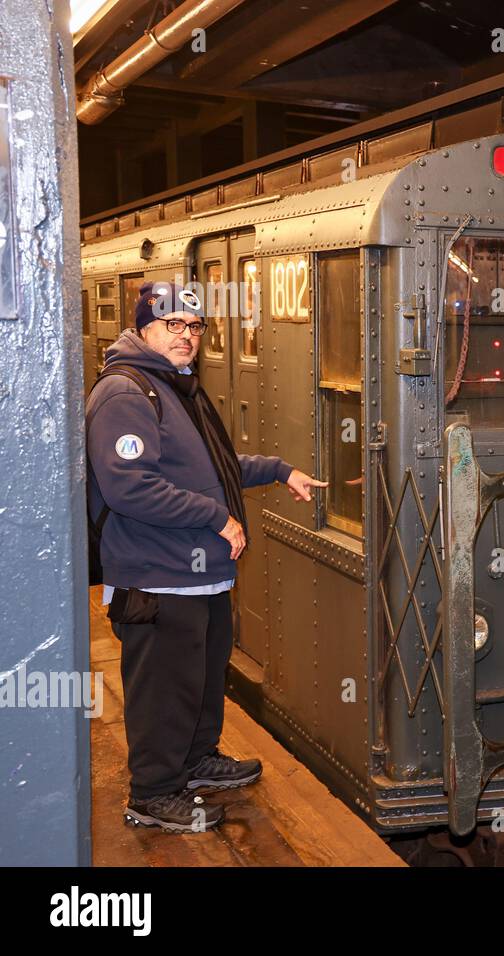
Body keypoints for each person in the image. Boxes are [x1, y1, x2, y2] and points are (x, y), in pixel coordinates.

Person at [86, 281, 326, 834]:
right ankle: (152, 794)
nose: (187, 336)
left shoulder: (175, 386)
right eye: (173, 325)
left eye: (195, 327)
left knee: (200, 676)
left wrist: (278, 469)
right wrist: (214, 517)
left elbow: (213, 466)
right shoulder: (127, 393)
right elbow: (128, 487)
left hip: (197, 578)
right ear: (144, 327)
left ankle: (194, 762)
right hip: (157, 576)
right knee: (163, 689)